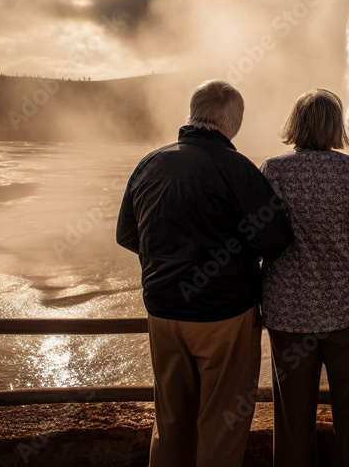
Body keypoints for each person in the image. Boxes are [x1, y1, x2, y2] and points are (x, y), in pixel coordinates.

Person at [116, 79, 294, 467]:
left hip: (162, 312)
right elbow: (274, 238)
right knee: (222, 422)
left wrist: (165, 264)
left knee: (170, 419)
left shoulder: (151, 162)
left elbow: (127, 234)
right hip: (223, 315)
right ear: (234, 123)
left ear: (192, 114)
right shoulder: (236, 168)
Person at [259, 88, 349, 467]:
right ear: (335, 127)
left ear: (295, 125)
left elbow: (255, 234)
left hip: (288, 315)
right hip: (348, 314)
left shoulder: (273, 170)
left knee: (291, 420)